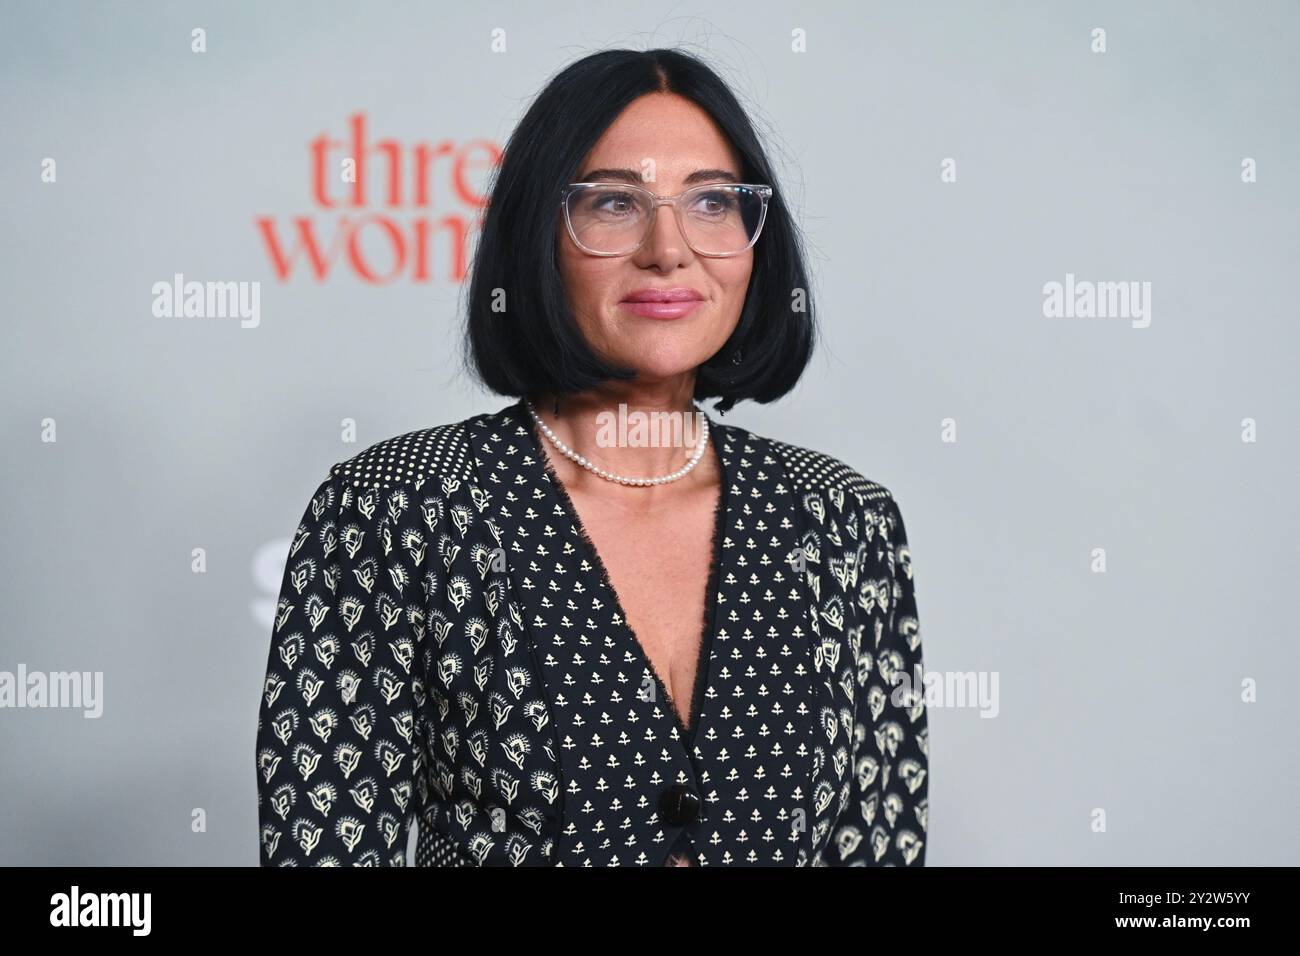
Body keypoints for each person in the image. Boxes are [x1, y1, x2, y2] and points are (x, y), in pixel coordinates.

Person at [255, 47, 928, 867]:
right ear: (538, 234)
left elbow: (879, 847)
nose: (669, 249)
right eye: (615, 203)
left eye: (712, 201)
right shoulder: (394, 509)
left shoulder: (844, 520)